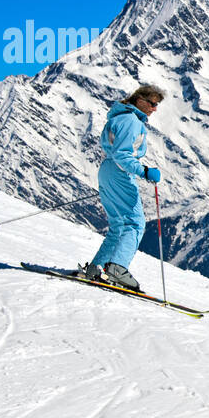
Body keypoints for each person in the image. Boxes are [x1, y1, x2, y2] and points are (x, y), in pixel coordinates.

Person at [78, 85, 164, 292]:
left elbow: (115, 152)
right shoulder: (131, 121)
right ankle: (117, 268)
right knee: (134, 224)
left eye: (157, 105)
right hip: (119, 171)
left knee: (118, 225)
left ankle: (96, 269)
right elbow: (122, 154)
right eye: (152, 103)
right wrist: (144, 170)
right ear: (140, 100)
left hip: (108, 170)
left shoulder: (120, 118)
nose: (154, 109)